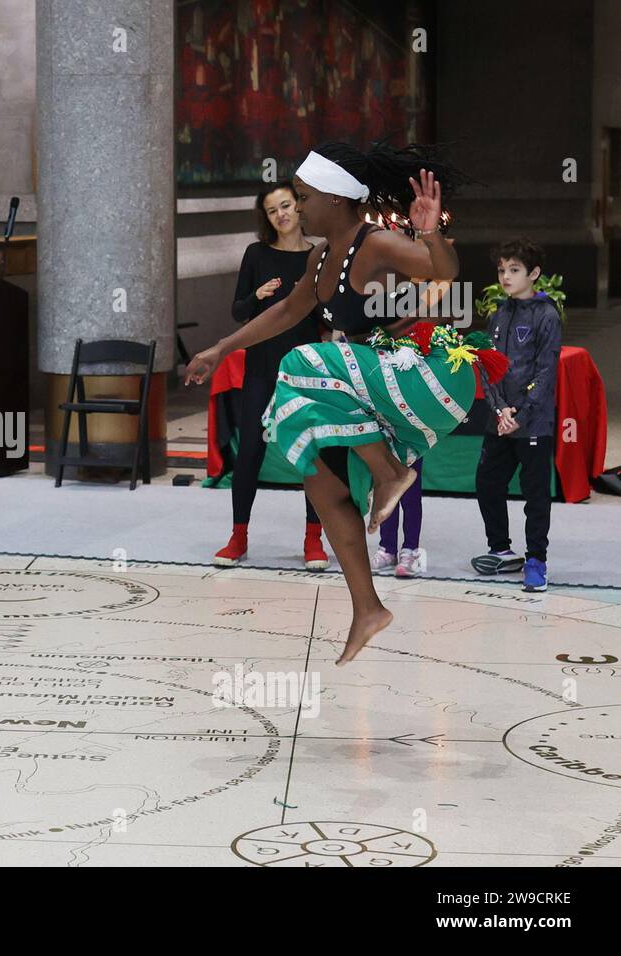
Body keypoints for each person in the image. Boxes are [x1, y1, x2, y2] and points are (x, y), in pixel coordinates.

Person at [186, 141, 503, 664]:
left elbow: (441, 272)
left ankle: (389, 472)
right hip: (375, 385)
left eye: (305, 197)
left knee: (302, 360)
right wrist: (222, 349)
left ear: (335, 198)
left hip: (430, 378)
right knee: (315, 469)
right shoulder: (321, 257)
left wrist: (428, 231)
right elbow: (288, 310)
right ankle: (367, 607)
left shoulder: (375, 243)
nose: (298, 206)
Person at [215, 181, 329, 570]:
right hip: (262, 368)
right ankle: (238, 536)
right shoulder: (256, 254)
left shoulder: (319, 255)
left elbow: (326, 317)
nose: (281, 214)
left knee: (311, 455)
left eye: (285, 205)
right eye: (272, 210)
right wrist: (257, 297)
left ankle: (313, 540)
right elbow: (235, 310)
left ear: (299, 206)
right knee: (249, 452)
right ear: (266, 217)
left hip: (306, 370)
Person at [472, 237, 561, 592]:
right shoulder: (498, 312)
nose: (506, 277)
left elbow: (545, 373)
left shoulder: (547, 315)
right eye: (501, 270)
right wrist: (498, 411)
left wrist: (519, 415)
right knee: (487, 483)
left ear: (534, 274)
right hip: (500, 421)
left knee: (535, 494)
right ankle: (502, 550)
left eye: (514, 270)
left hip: (533, 423)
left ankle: (536, 560)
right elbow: (487, 367)